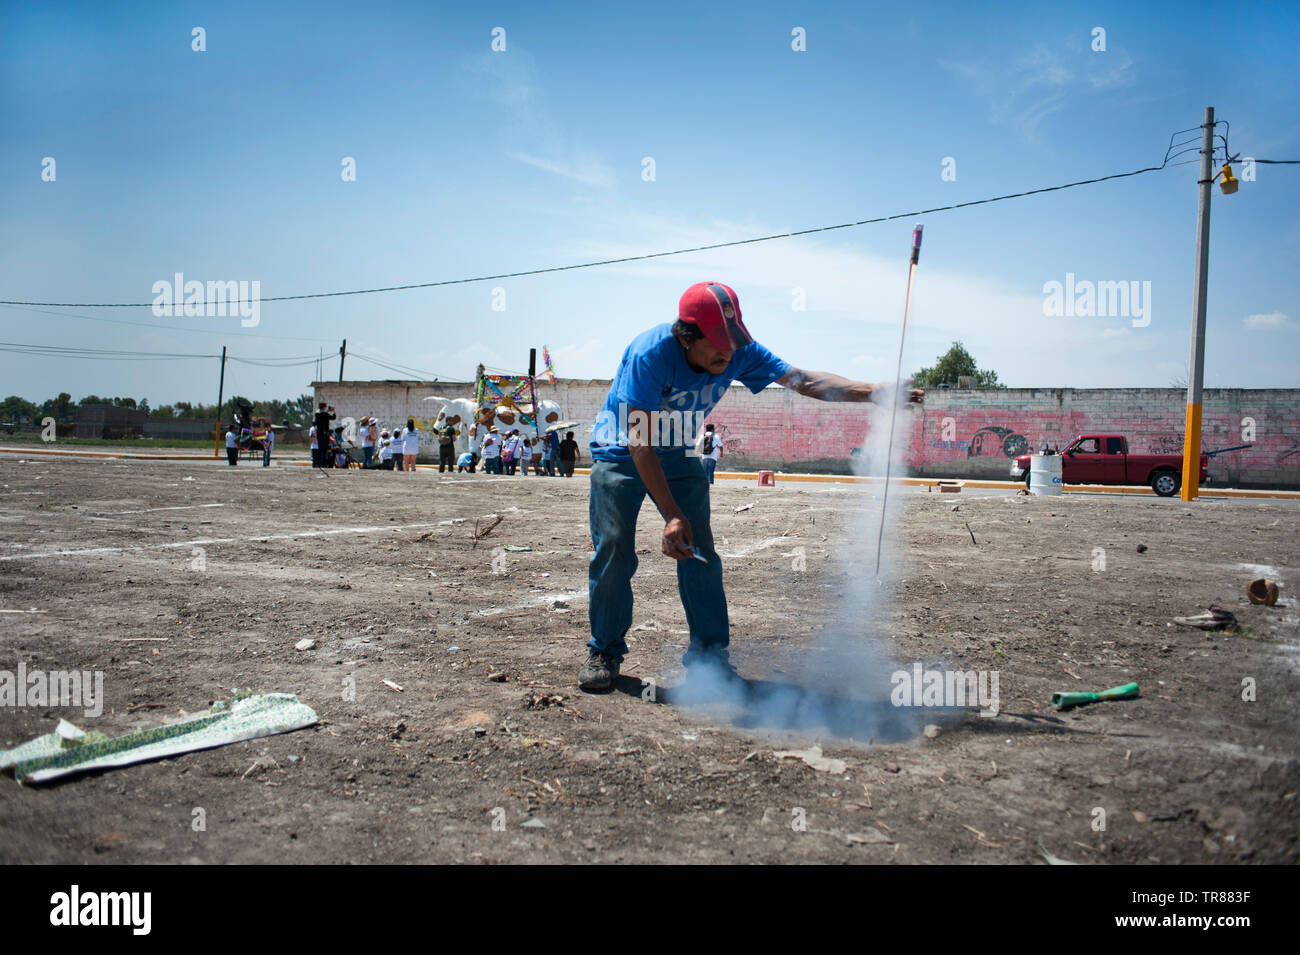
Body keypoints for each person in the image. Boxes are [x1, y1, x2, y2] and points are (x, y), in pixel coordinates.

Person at [576, 280, 924, 691]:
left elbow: (804, 381)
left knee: (698, 549)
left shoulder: (739, 352)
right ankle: (605, 650)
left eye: (733, 339)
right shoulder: (650, 354)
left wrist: (874, 392)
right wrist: (670, 513)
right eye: (718, 343)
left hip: (677, 454)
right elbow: (640, 443)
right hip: (624, 450)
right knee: (614, 547)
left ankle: (708, 656)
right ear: (686, 339)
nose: (728, 351)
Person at [312, 403, 336, 468]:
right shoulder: (325, 414)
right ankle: (323, 463)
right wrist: (333, 411)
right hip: (325, 434)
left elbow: (320, 417)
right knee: (324, 449)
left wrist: (327, 411)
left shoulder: (317, 414)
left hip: (319, 433)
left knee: (319, 449)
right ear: (324, 407)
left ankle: (317, 463)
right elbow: (333, 417)